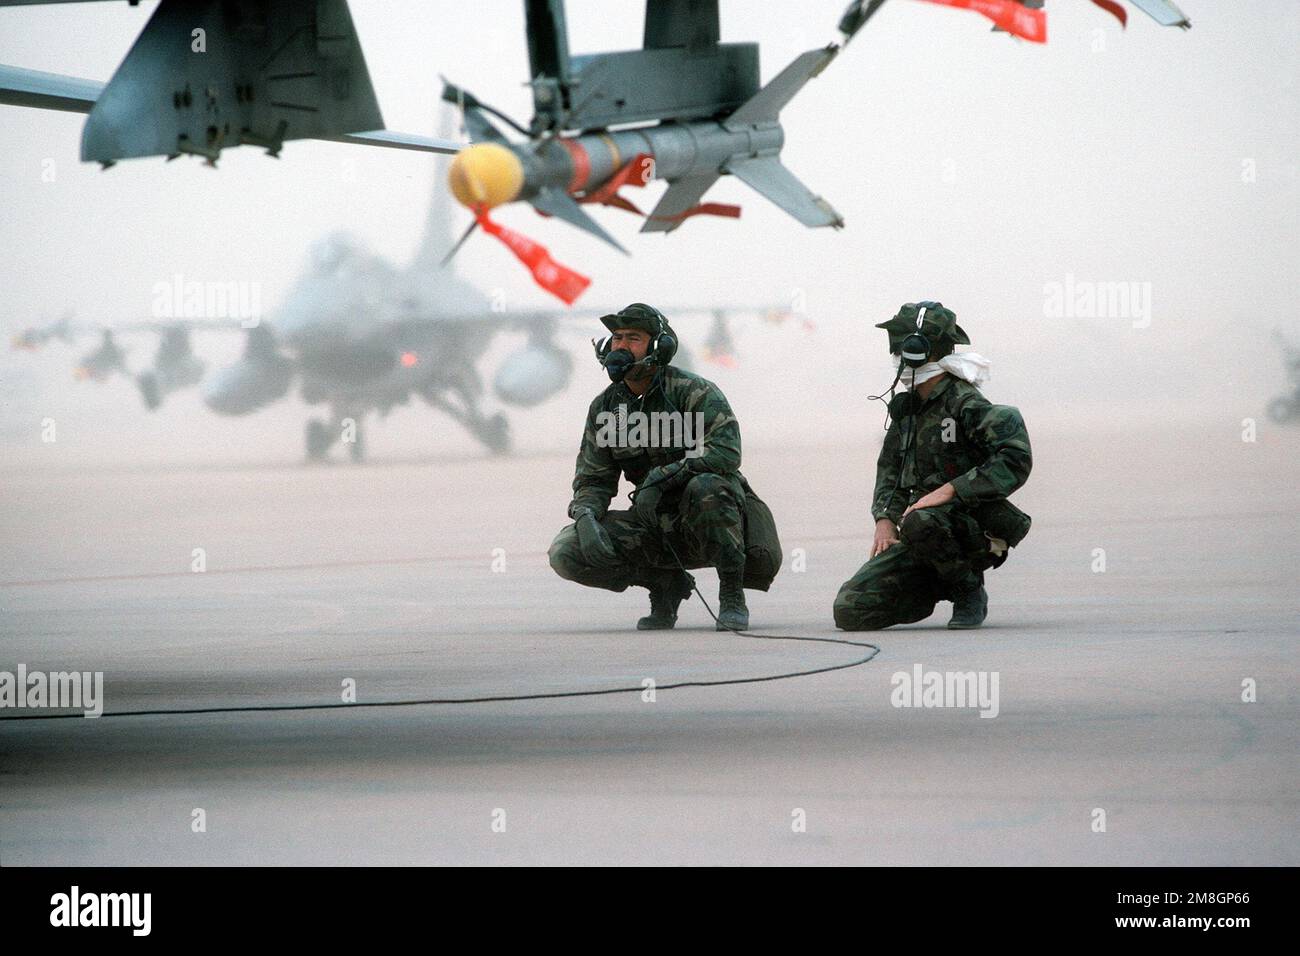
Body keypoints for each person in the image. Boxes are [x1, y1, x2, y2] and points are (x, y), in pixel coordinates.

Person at [547, 303, 772, 631]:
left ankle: (732, 594)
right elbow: (594, 478)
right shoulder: (608, 408)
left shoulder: (692, 392)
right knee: (565, 551)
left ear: (659, 347)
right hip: (652, 522)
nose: (620, 346)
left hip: (707, 518)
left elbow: (725, 453)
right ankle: (664, 583)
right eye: (616, 338)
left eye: (633, 338)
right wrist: (585, 517)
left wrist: (663, 477)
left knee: (708, 486)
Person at [833, 301, 1033, 630]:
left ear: (916, 349)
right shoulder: (909, 410)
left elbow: (1015, 456)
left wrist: (953, 489)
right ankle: (937, 578)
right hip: (924, 530)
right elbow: (891, 471)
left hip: (973, 525)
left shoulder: (963, 401)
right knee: (852, 608)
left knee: (919, 520)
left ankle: (968, 590)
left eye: (901, 346)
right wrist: (884, 519)